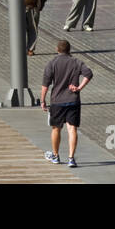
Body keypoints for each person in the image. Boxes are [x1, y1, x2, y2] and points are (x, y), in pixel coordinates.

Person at [40, 40, 93, 168]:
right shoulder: (76, 62)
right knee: (72, 129)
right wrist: (79, 87)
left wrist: (42, 100)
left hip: (57, 101)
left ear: (57, 49)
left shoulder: (52, 63)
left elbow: (45, 85)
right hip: (73, 100)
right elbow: (89, 74)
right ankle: (71, 158)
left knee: (56, 128)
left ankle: (56, 156)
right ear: (69, 50)